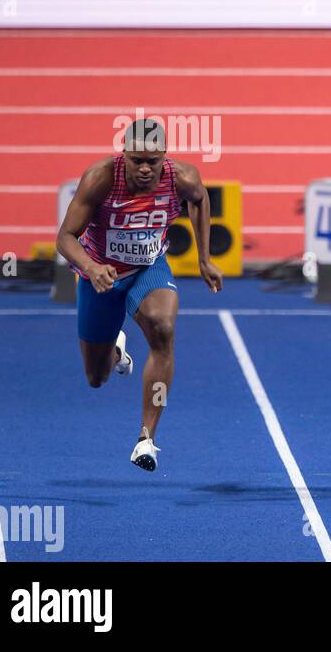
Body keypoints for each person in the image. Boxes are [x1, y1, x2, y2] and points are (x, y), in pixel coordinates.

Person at [56, 118, 224, 472]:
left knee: (163, 328)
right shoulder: (101, 178)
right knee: (96, 377)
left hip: (148, 269)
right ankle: (116, 350)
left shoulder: (182, 177)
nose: (145, 168)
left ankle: (146, 439)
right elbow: (65, 237)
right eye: (137, 161)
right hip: (102, 276)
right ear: (124, 155)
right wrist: (91, 267)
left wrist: (204, 259)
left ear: (165, 156)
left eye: (153, 161)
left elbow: (199, 199)